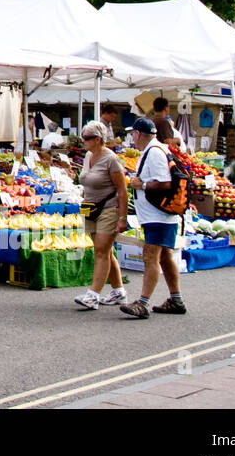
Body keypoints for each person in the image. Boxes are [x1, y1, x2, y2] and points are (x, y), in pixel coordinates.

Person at [121, 116, 186, 318]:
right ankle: (176, 300)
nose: (132, 138)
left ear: (139, 134)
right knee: (165, 256)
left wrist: (143, 185)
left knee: (150, 255)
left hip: (158, 215)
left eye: (133, 134)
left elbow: (165, 182)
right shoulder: (152, 151)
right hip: (158, 215)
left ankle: (143, 303)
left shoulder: (155, 153)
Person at [73, 121, 129, 310]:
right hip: (91, 208)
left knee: (101, 251)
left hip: (109, 208)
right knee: (105, 250)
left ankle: (93, 295)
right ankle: (118, 291)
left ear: (98, 140)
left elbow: (122, 189)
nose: (83, 141)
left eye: (87, 138)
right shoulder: (89, 155)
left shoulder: (111, 159)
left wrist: (123, 217)